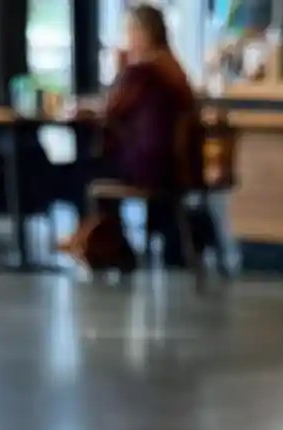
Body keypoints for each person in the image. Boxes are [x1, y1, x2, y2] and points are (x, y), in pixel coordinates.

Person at [65, 4, 199, 269]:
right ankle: (112, 243)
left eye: (128, 32)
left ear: (142, 33)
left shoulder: (143, 72)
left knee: (84, 173)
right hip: (173, 165)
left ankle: (106, 247)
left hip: (146, 164)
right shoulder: (173, 68)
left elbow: (111, 109)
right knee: (96, 167)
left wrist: (119, 69)